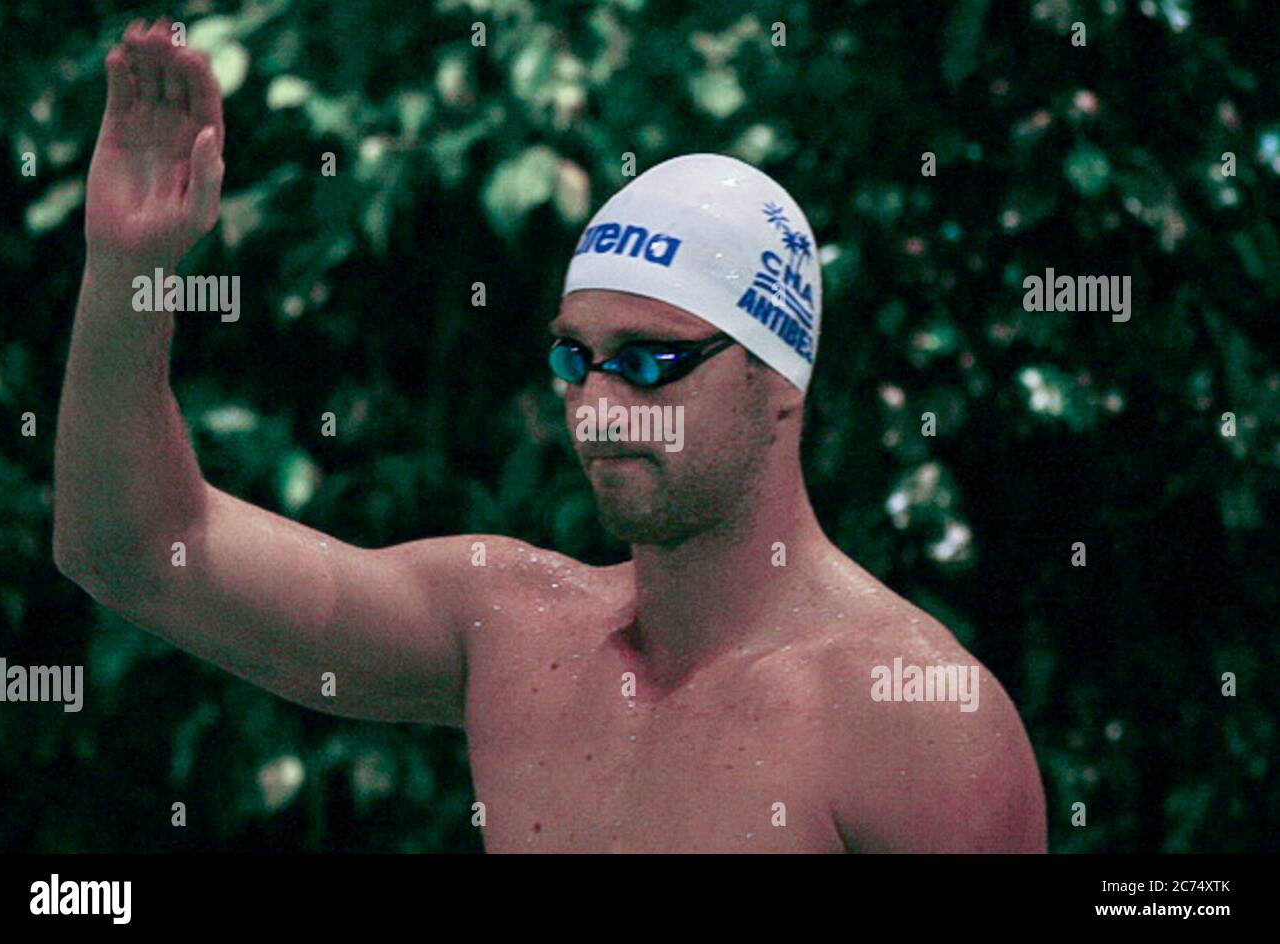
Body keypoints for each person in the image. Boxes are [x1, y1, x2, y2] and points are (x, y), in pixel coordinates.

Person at [54, 18, 1047, 853]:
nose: (600, 405)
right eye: (575, 359)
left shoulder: (912, 715)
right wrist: (126, 271)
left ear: (778, 379)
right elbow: (133, 548)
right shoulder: (511, 633)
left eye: (652, 362)